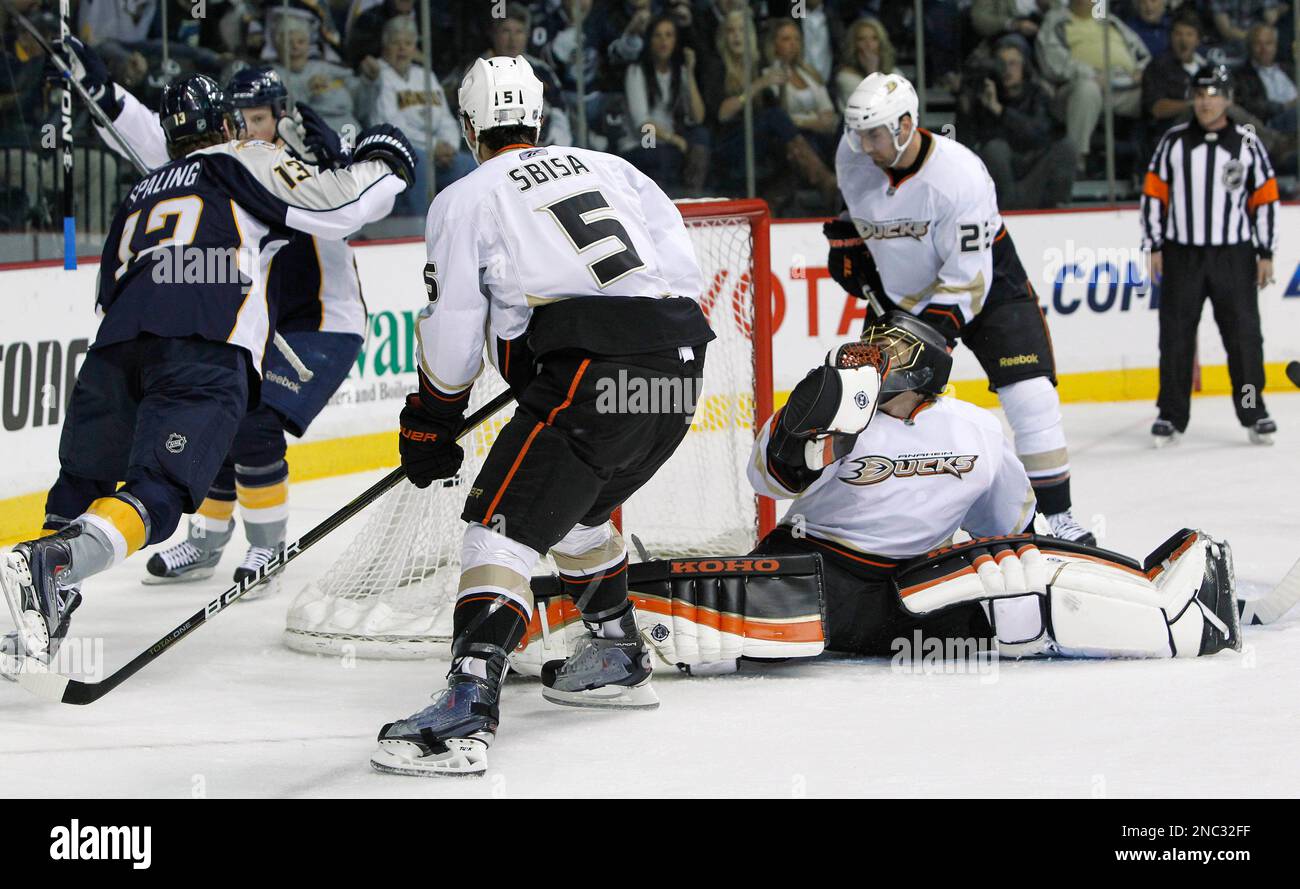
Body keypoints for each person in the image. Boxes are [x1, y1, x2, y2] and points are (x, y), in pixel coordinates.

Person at [370, 56, 715, 777]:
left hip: (595, 374)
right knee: (580, 512)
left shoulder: (466, 197)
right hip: (677, 375)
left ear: (470, 126)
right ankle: (617, 651)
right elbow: (680, 269)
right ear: (538, 114)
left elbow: (456, 328)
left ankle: (467, 708)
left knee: (499, 524)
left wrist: (430, 422)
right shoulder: (611, 166)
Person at [0, 74, 412, 674]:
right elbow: (342, 206)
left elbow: (105, 295)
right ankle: (54, 568)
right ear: (227, 126)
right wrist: (384, 160)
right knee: (159, 492)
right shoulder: (242, 159)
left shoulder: (142, 188)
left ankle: (30, 609)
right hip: (202, 346)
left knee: (78, 490)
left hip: (114, 350)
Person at [741, 313, 1241, 662]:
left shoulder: (975, 429)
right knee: (752, 603)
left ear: (926, 368)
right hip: (819, 570)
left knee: (1023, 590)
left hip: (910, 584)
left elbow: (1017, 532)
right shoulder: (835, 412)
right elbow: (765, 480)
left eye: (889, 348)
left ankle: (1161, 603)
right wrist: (795, 431)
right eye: (872, 344)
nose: (874, 357)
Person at [65, 45, 379, 593]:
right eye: (242, 118)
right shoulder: (228, 159)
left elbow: (346, 211)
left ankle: (267, 545)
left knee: (252, 423)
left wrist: (344, 165)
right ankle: (210, 538)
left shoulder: (286, 157)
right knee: (214, 420)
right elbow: (173, 154)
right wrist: (109, 96)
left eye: (259, 117)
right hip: (256, 320)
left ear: (280, 115)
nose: (249, 128)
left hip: (322, 320)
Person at [828, 72, 1094, 544]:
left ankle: (1060, 519)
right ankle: (884, 516)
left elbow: (967, 282)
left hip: (987, 286)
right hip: (899, 298)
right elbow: (866, 216)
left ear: (906, 125)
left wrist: (925, 341)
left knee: (1031, 396)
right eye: (859, 133)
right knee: (878, 407)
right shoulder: (853, 156)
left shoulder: (960, 177)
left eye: (874, 134)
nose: (864, 145)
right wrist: (851, 244)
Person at [1140, 65, 1279, 447]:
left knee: (1244, 337)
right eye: (1200, 94)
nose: (1206, 101)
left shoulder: (1247, 143)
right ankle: (1171, 415)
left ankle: (1254, 411)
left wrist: (1265, 250)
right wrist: (1153, 244)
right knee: (1175, 337)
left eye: (1214, 93)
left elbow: (1265, 198)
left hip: (1234, 255)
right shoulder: (1173, 142)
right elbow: (1154, 194)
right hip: (1181, 253)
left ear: (1228, 99)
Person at [368, 16, 475, 217]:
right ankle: (420, 231)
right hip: (400, 152)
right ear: (385, 45)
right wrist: (433, 146)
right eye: (395, 43)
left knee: (468, 164)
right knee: (421, 163)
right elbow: (391, 125)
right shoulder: (380, 76)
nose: (402, 49)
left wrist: (448, 146)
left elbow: (444, 118)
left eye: (407, 43)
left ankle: (464, 224)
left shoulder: (425, 75)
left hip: (437, 151)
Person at [955, 37, 1076, 209]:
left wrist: (1000, 111)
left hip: (1033, 177)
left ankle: (1058, 208)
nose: (1006, 70)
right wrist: (966, 108)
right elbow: (965, 148)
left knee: (1065, 147)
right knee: (995, 149)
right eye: (1001, 64)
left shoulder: (1037, 94)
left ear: (1024, 67)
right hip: (999, 188)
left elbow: (1039, 135)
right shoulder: (981, 96)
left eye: (1013, 64)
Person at [1037, 0, 1151, 171]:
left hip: (1125, 86)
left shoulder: (1109, 20)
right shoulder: (1056, 20)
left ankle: (1152, 161)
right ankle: (1075, 164)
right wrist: (1091, 75)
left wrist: (1142, 71)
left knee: (1158, 92)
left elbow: (1143, 54)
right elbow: (1052, 62)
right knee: (1087, 90)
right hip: (1080, 87)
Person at [621, 14, 710, 193]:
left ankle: (693, 195)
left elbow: (698, 117)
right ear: (650, 39)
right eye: (658, 35)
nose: (664, 41)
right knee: (657, 152)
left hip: (670, 142)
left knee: (701, 136)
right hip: (643, 141)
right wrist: (674, 139)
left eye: (669, 35)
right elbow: (643, 123)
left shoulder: (680, 72)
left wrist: (690, 73)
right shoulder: (636, 71)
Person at [1141, 7, 1208, 144]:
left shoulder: (1206, 68)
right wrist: (1193, 105)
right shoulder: (1158, 66)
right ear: (1170, 37)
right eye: (1178, 34)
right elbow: (1157, 109)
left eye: (1189, 34)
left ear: (1197, 40)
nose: (1183, 40)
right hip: (1172, 132)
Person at [833, 17, 896, 109]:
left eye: (874, 38)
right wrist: (872, 72)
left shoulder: (895, 73)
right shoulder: (845, 78)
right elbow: (869, 108)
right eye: (861, 39)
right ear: (854, 45)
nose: (869, 45)